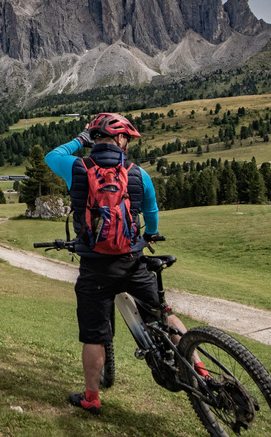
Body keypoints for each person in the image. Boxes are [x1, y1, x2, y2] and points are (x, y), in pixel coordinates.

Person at [45, 113, 205, 415]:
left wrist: (80, 139)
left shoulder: (77, 167)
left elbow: (52, 156)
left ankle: (91, 398)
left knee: (94, 335)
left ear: (94, 138)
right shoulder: (138, 174)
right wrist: (149, 234)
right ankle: (201, 370)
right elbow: (151, 212)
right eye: (126, 139)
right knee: (162, 313)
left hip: (95, 267)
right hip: (131, 262)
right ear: (120, 139)